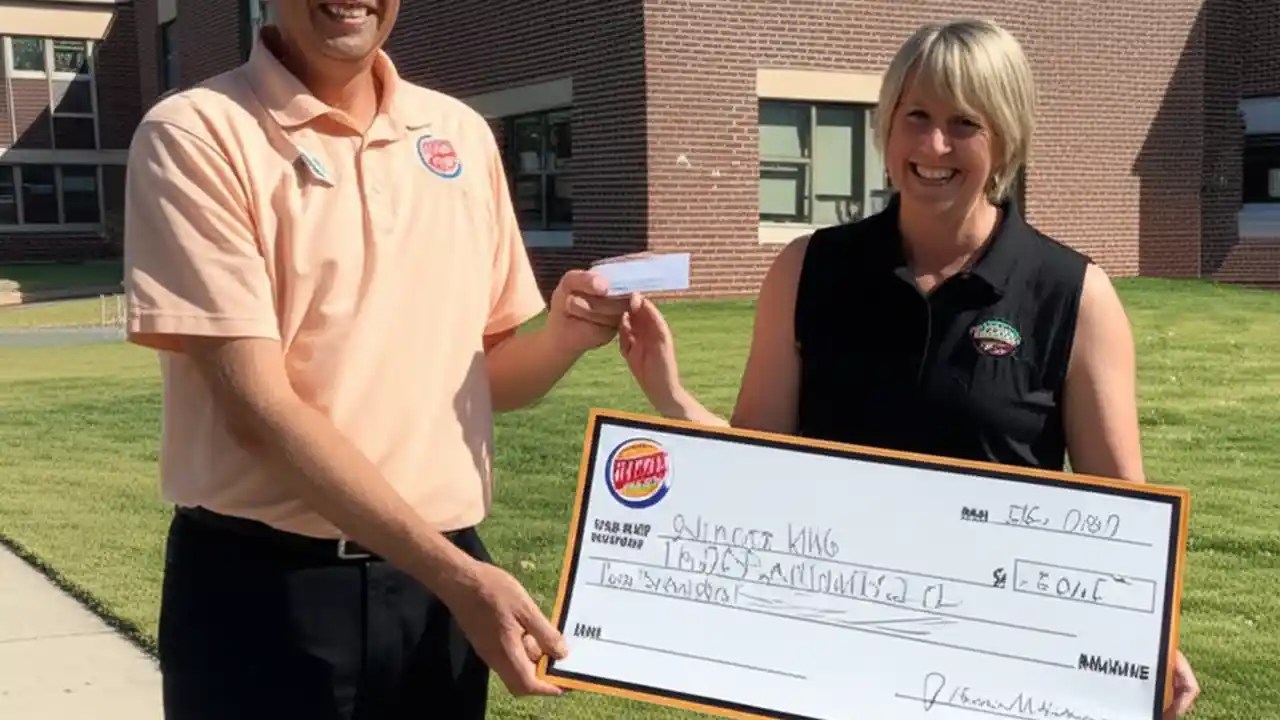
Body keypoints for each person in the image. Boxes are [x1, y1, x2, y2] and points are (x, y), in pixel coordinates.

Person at [618, 18, 1200, 718]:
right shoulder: (808, 270)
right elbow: (760, 471)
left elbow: (1117, 508)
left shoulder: (1073, 292)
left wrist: (1147, 635)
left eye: (964, 124)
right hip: (824, 653)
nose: (933, 146)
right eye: (914, 117)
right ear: (886, 127)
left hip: (992, 674)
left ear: (1006, 136)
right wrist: (677, 401)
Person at [122, 1, 629, 718]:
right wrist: (459, 576)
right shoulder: (197, 133)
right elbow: (257, 412)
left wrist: (565, 339)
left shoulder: (459, 135)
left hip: (437, 589)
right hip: (269, 597)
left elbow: (483, 383)